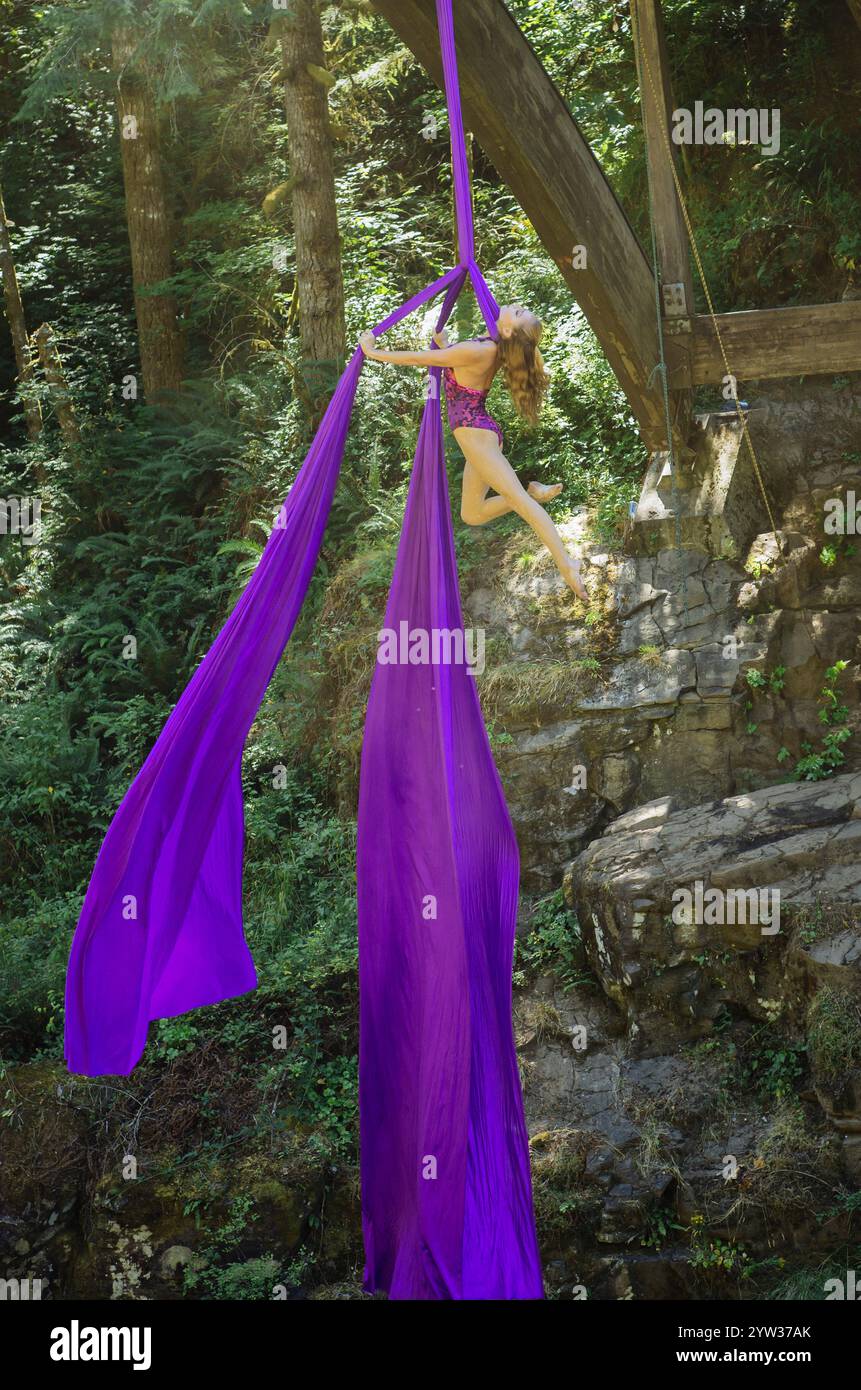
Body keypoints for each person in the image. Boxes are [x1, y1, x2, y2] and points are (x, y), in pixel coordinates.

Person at [358, 302, 588, 599]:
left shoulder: (483, 349)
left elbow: (419, 358)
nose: (517, 306)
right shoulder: (492, 345)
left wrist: (373, 352)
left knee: (521, 505)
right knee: (473, 514)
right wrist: (446, 345)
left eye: (519, 313)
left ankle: (566, 563)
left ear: (507, 330)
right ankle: (530, 491)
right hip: (479, 435)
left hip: (478, 437)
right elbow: (460, 367)